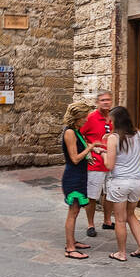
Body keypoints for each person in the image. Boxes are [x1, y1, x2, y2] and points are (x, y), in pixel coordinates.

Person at [104, 103, 140, 261]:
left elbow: (109, 165)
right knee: (131, 215)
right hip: (136, 181)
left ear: (117, 121)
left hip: (119, 182)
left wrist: (103, 153)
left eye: (111, 120)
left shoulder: (113, 138)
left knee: (119, 219)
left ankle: (121, 253)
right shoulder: (139, 134)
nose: (109, 123)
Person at [60, 102, 96, 260]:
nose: (86, 120)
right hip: (73, 178)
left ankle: (72, 241)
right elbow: (74, 158)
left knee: (75, 211)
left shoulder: (76, 131)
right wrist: (90, 148)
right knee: (73, 212)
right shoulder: (70, 133)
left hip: (79, 176)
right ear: (76, 118)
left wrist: (89, 156)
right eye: (84, 117)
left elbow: (80, 154)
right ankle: (70, 248)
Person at [79, 90, 116, 241]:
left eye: (108, 100)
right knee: (92, 196)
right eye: (103, 100)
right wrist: (90, 150)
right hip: (96, 163)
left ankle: (107, 221)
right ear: (97, 102)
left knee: (110, 194)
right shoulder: (90, 118)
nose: (106, 102)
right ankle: (90, 224)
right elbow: (79, 135)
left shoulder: (113, 118)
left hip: (111, 163)